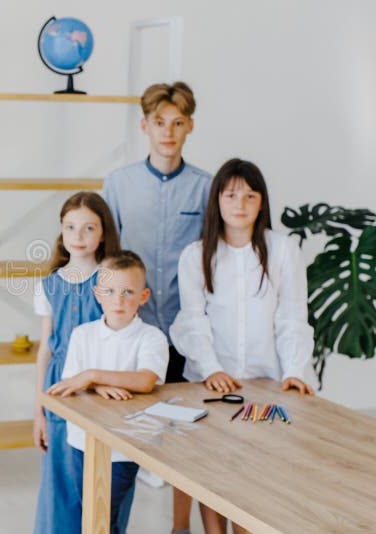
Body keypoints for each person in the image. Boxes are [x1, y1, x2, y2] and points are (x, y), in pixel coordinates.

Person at [170, 158, 315, 534]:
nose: (240, 203)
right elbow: (193, 320)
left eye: (250, 195)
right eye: (231, 194)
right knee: (210, 470)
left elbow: (292, 317)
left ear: (262, 203)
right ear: (217, 199)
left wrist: (296, 371)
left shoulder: (283, 250)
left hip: (266, 385)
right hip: (210, 382)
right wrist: (211, 368)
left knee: (257, 477)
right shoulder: (195, 255)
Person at [102, 81, 211, 534]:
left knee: (192, 440)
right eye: (160, 123)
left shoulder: (206, 188)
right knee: (127, 439)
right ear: (145, 126)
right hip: (134, 331)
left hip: (188, 332)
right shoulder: (119, 183)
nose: (168, 132)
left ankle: (180, 528)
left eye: (178, 123)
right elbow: (108, 258)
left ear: (189, 127)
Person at [47, 250, 169, 534]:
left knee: (106, 519)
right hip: (80, 441)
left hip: (125, 448)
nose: (119, 299)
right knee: (87, 514)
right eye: (110, 291)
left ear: (143, 296)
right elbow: (71, 384)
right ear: (97, 294)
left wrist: (92, 375)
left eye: (128, 291)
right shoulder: (82, 334)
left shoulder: (151, 338)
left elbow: (144, 381)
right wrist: (98, 384)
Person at [32, 191, 121, 534]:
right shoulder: (49, 285)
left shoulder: (111, 280)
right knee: (60, 480)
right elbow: (46, 349)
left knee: (99, 480)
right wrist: (39, 408)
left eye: (88, 228)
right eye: (70, 227)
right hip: (58, 392)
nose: (78, 237)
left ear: (103, 233)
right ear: (61, 231)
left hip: (100, 391)